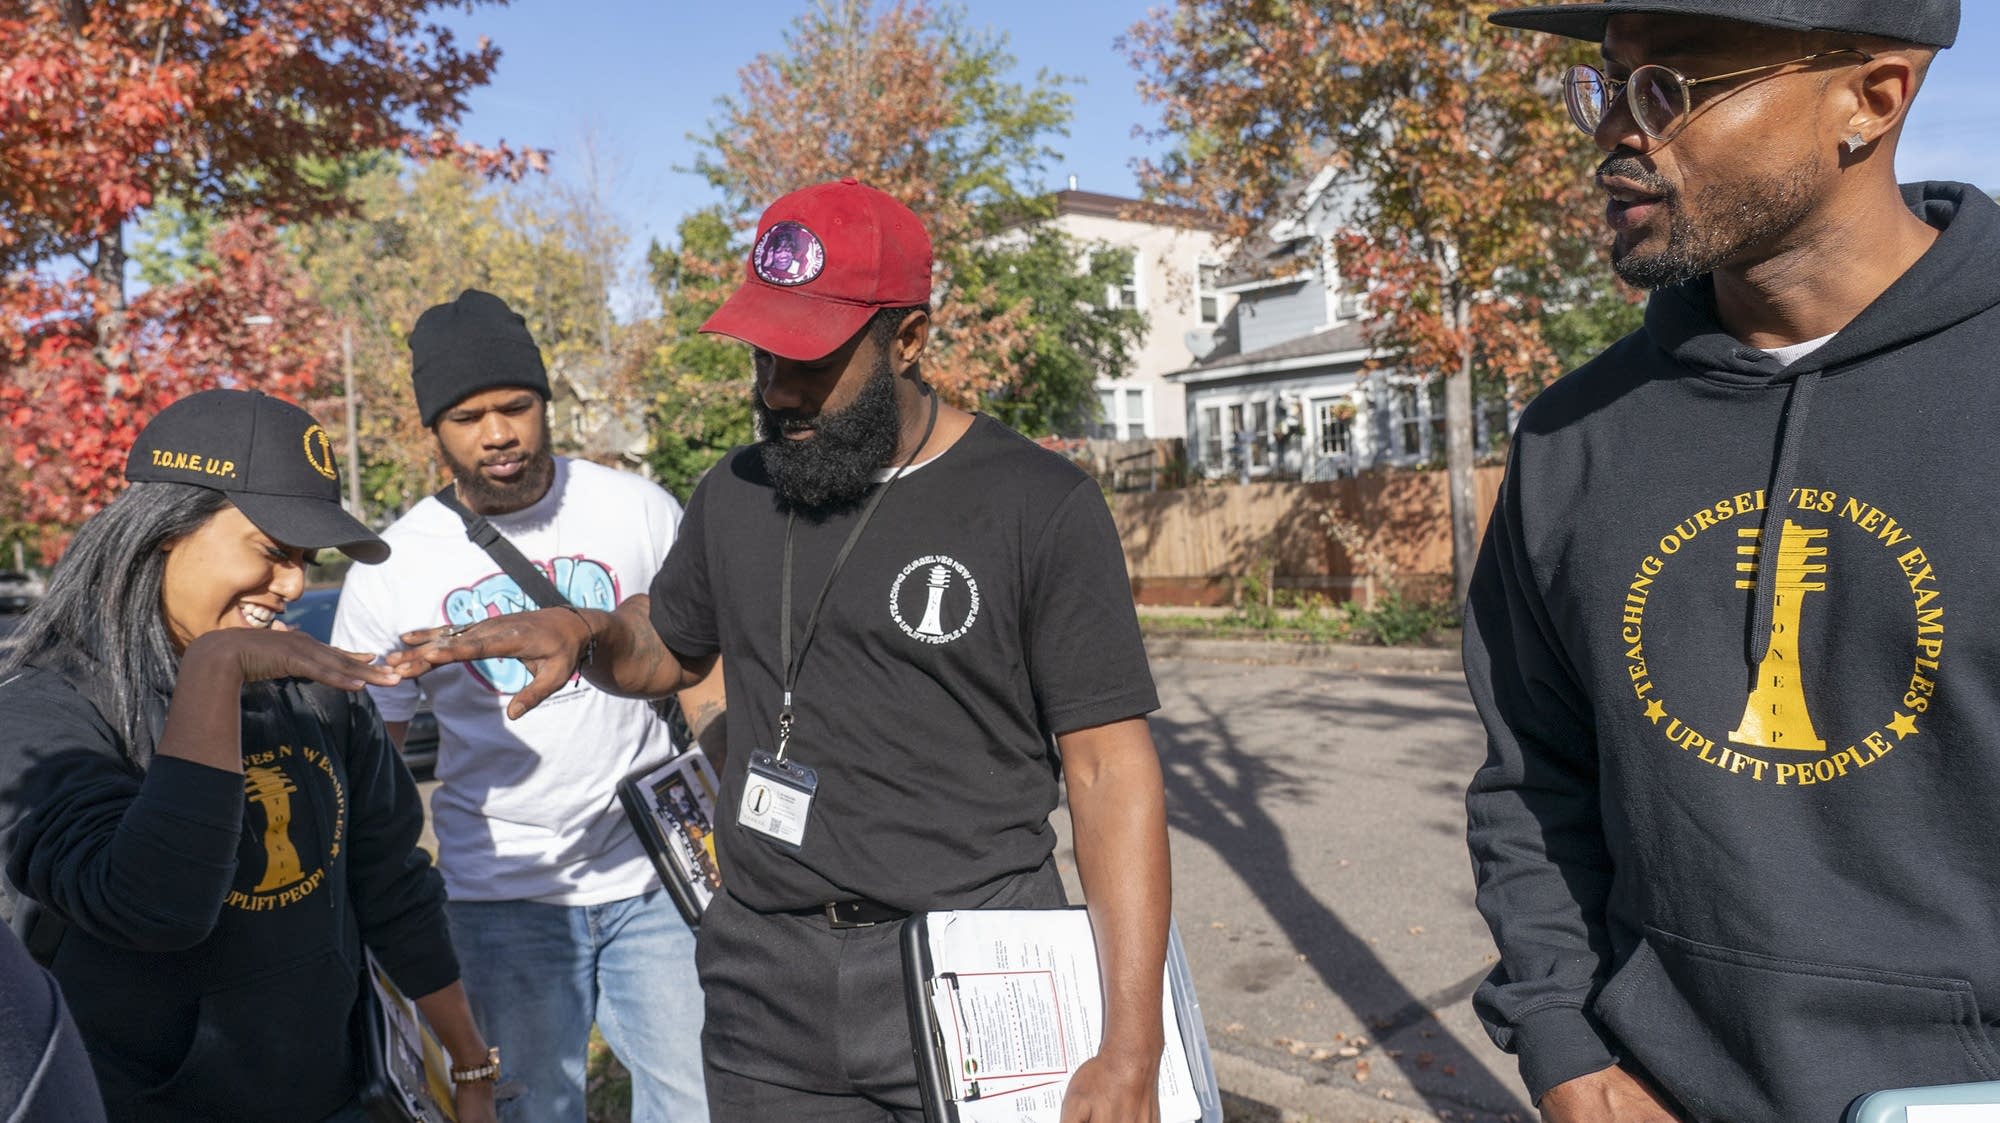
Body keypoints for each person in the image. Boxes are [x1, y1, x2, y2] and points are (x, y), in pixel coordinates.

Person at [390, 178, 1174, 1122]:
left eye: (810, 359)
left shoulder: (1037, 503)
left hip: (972, 960)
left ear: (910, 339)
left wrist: (1132, 1043)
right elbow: (665, 648)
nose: (775, 388)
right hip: (764, 981)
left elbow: (1108, 771)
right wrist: (590, 630)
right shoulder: (739, 488)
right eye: (765, 350)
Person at [1466, 2, 1990, 1121]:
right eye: (1608, 83)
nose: (1613, 128)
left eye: (1671, 86)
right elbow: (1532, 778)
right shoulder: (1571, 437)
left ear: (1869, 99)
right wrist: (1560, 1042)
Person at [0, 389, 494, 1122]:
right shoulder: (45, 712)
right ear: (165, 530)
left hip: (343, 1098)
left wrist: (471, 1065)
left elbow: (392, 884)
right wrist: (216, 669)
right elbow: (152, 904)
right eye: (272, 551)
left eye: (304, 559)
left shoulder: (317, 688)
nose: (294, 583)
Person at [330, 289, 711, 1122]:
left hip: (655, 876)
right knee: (533, 1108)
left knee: (702, 1101)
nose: (497, 433)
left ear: (545, 403)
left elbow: (702, 666)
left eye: (516, 406)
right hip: (499, 894)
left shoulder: (639, 510)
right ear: (433, 429)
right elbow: (375, 762)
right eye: (467, 416)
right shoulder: (390, 565)